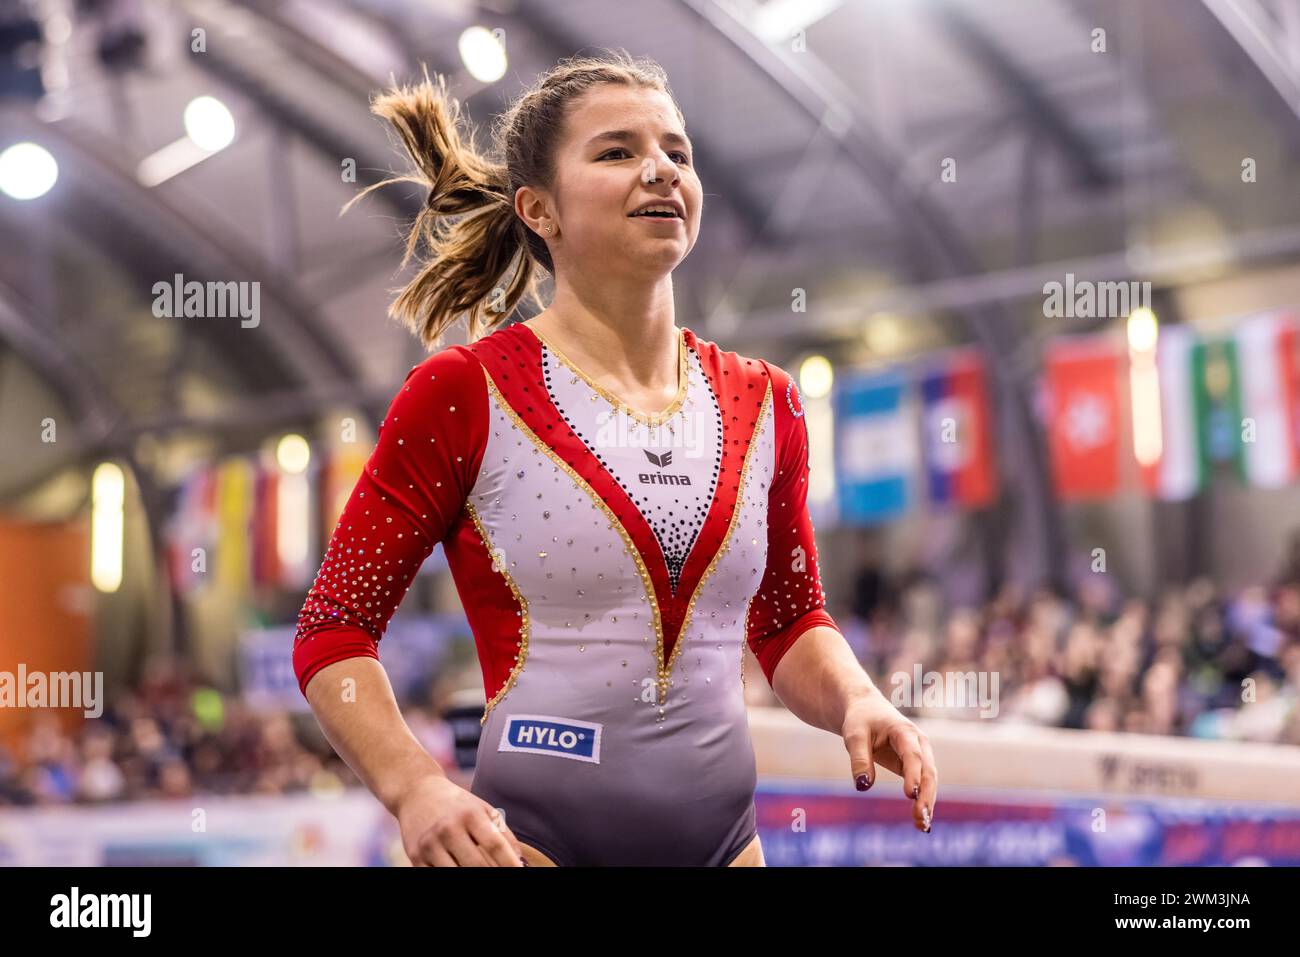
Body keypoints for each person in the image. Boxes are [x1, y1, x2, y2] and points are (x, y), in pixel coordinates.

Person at [292, 51, 937, 866]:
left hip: (728, 850)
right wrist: (413, 785)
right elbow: (333, 629)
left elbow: (787, 621)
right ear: (539, 209)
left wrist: (857, 696)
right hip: (530, 848)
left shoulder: (763, 401)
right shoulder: (464, 393)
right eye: (617, 152)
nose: (661, 170)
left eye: (678, 151)